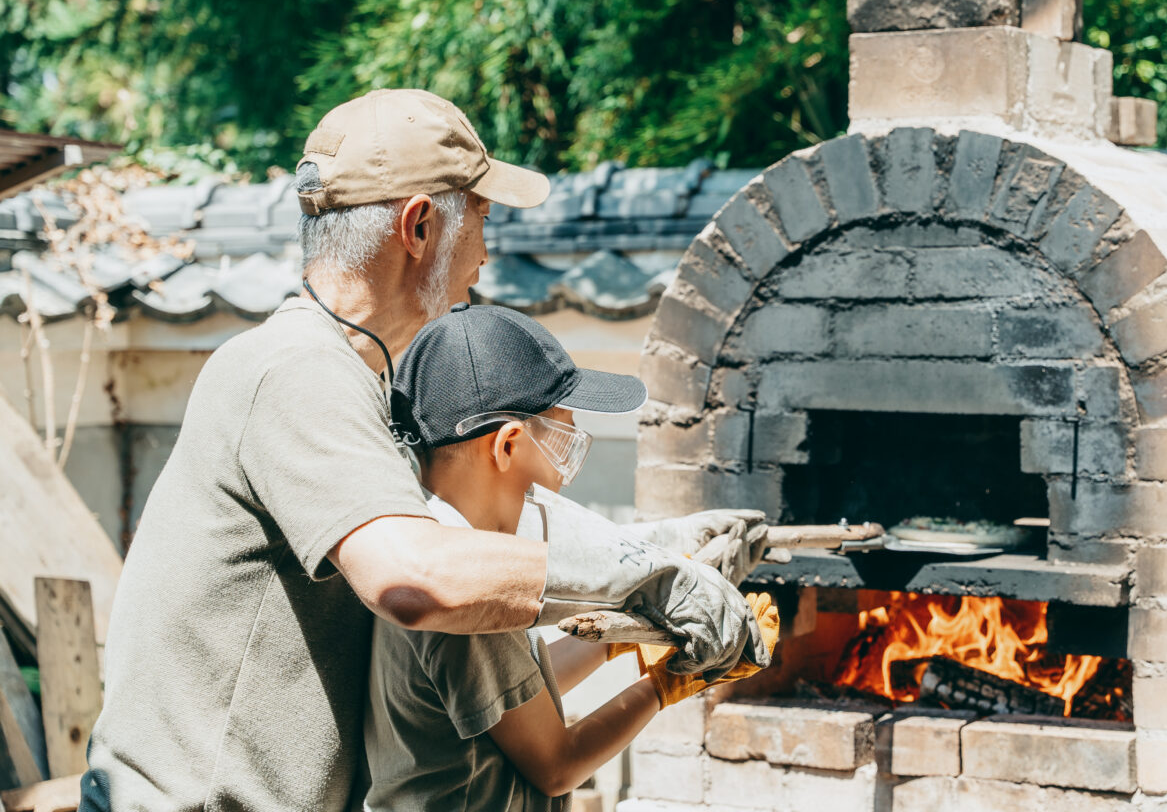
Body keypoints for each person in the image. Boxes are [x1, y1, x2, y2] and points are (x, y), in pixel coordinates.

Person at [82, 89, 770, 812]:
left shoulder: (363, 382)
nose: (483, 254)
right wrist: (642, 574)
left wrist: (657, 550)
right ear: (418, 226)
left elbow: (474, 532)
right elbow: (414, 575)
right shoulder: (294, 371)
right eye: (481, 218)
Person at [365, 304, 779, 811]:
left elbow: (517, 698)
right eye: (565, 437)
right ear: (508, 445)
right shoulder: (462, 594)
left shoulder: (444, 542)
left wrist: (623, 636)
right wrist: (667, 684)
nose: (569, 466)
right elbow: (557, 765)